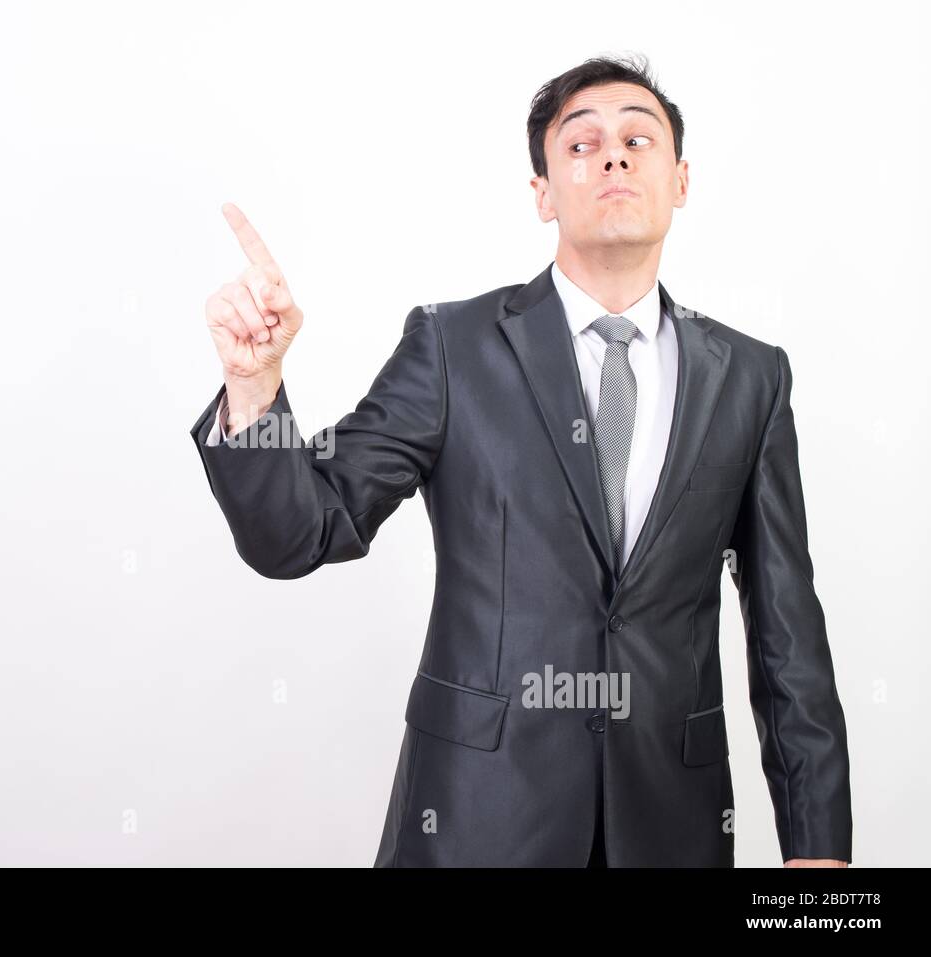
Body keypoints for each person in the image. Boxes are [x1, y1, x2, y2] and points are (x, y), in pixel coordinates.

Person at [189, 54, 851, 867]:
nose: (613, 155)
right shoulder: (452, 348)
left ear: (680, 180)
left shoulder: (750, 377)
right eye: (581, 144)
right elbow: (302, 533)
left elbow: (787, 632)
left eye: (638, 139)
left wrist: (818, 855)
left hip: (672, 827)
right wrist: (254, 392)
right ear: (541, 192)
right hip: (477, 818)